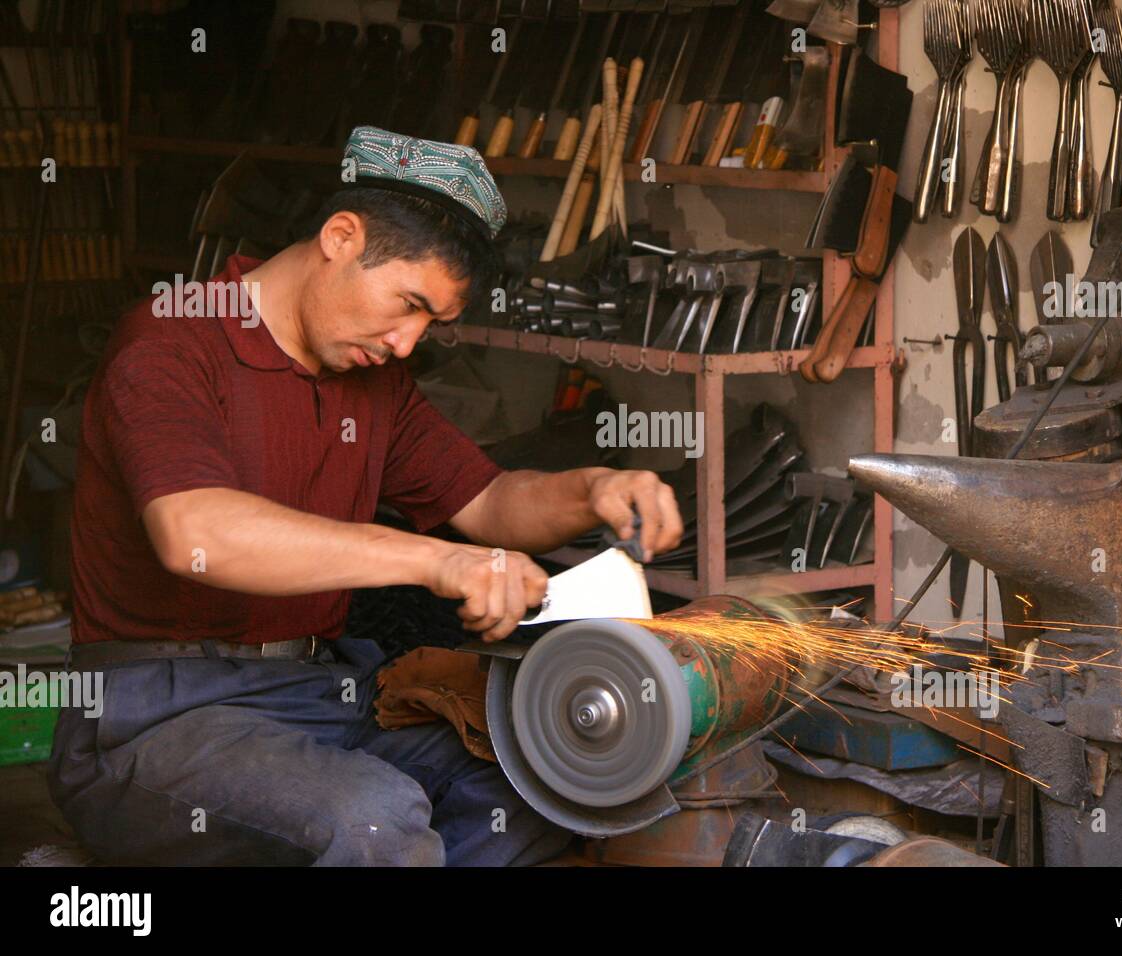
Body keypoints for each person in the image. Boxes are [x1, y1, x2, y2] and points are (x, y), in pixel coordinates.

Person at [48, 127, 684, 866]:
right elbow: (198, 534)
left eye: (431, 324)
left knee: (531, 787)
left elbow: (491, 500)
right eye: (407, 304)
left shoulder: (375, 382)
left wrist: (596, 489)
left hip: (317, 692)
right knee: (373, 817)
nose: (407, 343)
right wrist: (438, 564)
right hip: (154, 714)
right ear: (342, 237)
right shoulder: (171, 342)